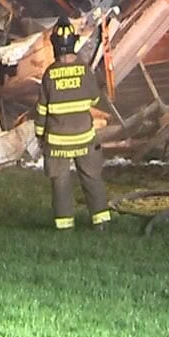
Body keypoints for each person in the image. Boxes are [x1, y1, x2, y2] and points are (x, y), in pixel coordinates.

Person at [33, 18, 112, 232]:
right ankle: (101, 222)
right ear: (74, 44)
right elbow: (95, 99)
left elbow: (41, 111)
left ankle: (65, 226)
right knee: (92, 177)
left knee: (60, 182)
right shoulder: (85, 71)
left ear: (55, 46)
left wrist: (40, 136)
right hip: (84, 138)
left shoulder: (49, 75)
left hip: (57, 141)